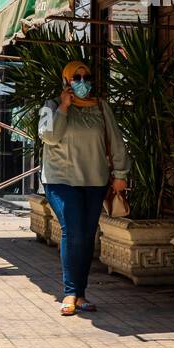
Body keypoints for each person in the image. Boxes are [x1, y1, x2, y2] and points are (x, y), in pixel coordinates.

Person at [39, 59, 130, 317]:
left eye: (85, 77)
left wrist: (121, 174)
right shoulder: (51, 106)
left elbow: (116, 140)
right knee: (73, 230)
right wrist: (65, 107)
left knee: (87, 235)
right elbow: (49, 136)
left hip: (94, 181)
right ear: (65, 81)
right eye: (75, 78)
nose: (82, 82)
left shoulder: (101, 107)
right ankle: (69, 292)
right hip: (60, 180)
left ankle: (80, 294)